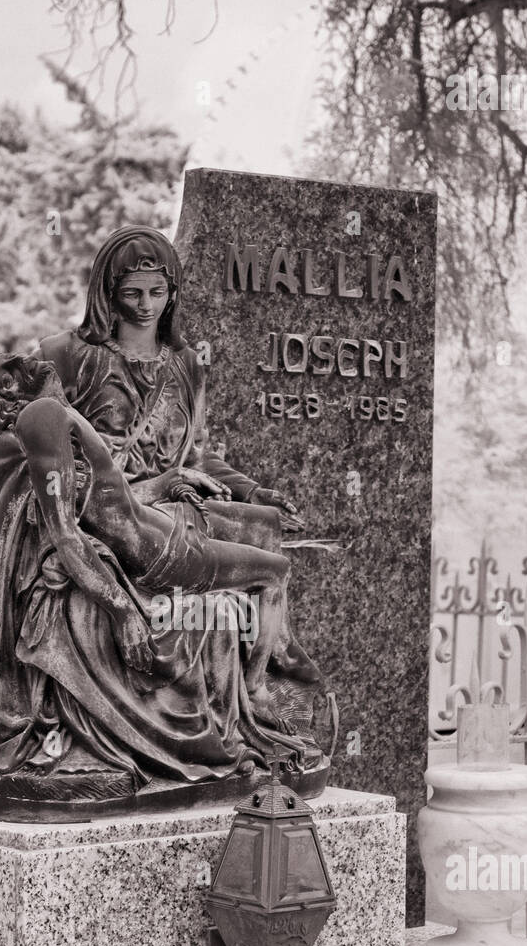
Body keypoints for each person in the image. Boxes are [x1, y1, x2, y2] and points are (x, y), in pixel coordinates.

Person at [0, 351, 325, 811]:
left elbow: (107, 500)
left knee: (261, 522)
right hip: (166, 554)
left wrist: (166, 480)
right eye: (8, 375)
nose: (25, 362)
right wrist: (122, 609)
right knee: (274, 571)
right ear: (5, 404)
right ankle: (257, 696)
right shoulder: (41, 414)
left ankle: (260, 693)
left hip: (161, 527)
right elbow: (67, 532)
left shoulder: (53, 418)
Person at [39, 225, 318, 681]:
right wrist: (152, 485)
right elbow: (45, 448)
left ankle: (273, 655)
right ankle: (264, 668)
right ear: (109, 293)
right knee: (253, 553)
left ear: (172, 293)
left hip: (177, 503)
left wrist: (251, 490)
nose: (146, 305)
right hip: (114, 509)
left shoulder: (186, 365)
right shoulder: (67, 356)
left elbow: (196, 455)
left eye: (157, 291)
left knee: (265, 523)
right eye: (132, 293)